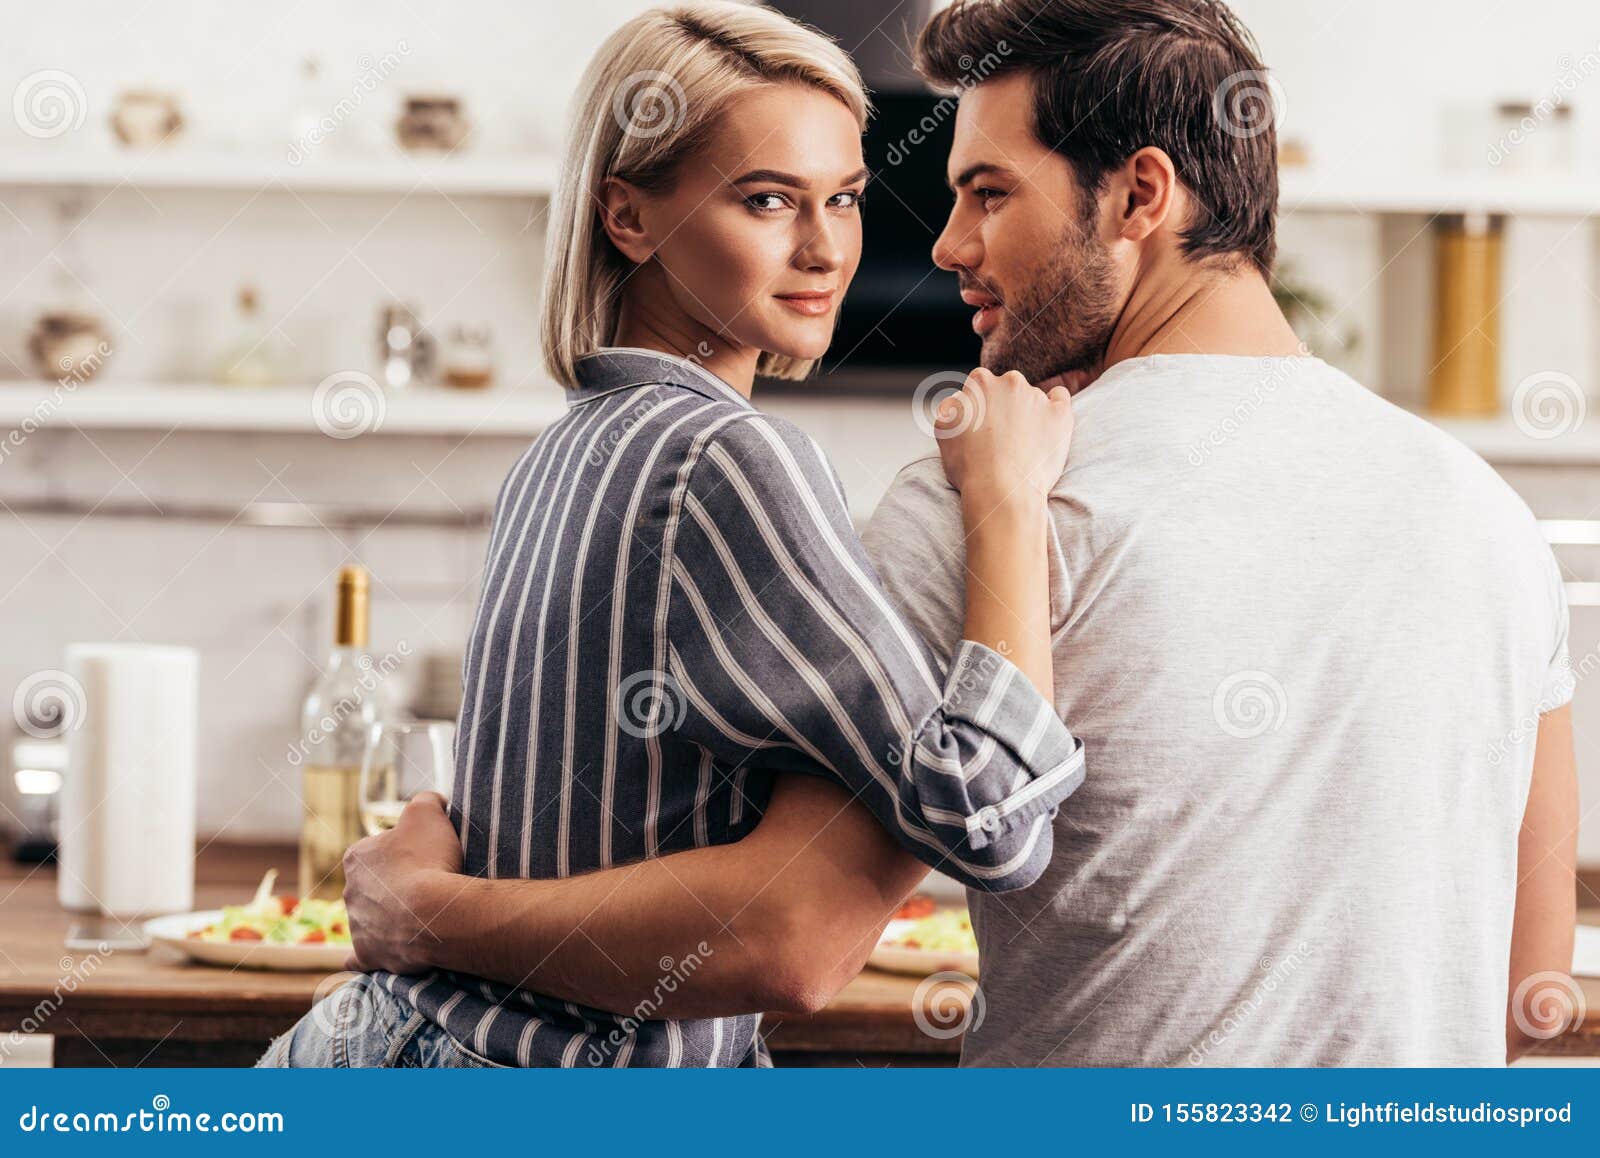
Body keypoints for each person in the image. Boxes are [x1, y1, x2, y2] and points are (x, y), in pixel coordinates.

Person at [341, 0, 1579, 1067]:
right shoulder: (1491, 519)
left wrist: (428, 917)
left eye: (989, 193)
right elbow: (1529, 987)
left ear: (1139, 194)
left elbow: (794, 934)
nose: (943, 249)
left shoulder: (994, 500)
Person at [259, 0, 1083, 1069]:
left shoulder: (556, 455)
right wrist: (1007, 501)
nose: (824, 246)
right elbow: (985, 818)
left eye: (843, 198)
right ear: (628, 218)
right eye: (766, 201)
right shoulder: (729, 458)